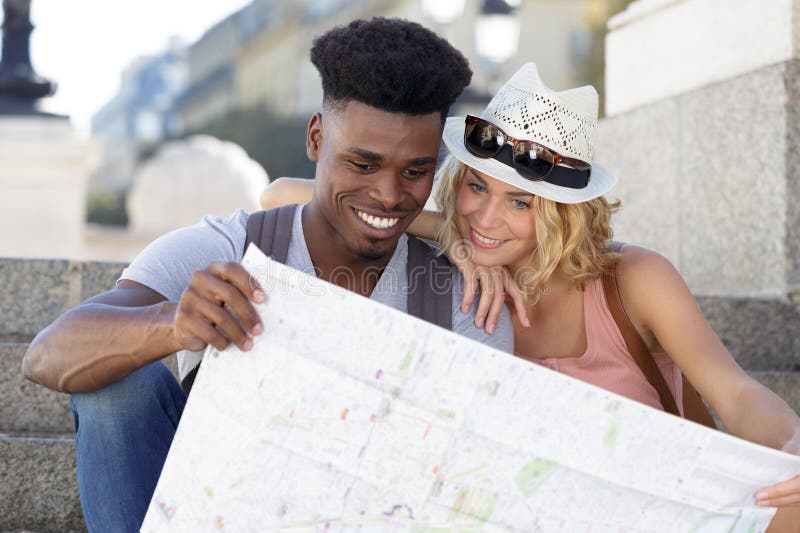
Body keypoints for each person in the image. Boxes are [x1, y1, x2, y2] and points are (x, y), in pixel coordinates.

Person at [21, 18, 513, 532]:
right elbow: (45, 356)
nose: (389, 196)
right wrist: (172, 324)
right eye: (363, 165)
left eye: (414, 172)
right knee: (117, 386)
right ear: (317, 138)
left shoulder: (463, 299)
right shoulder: (230, 247)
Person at [260, 63, 800, 529]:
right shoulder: (447, 274)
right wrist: (442, 230)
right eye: (476, 187)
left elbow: (735, 395)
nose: (485, 219)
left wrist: (793, 440)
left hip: (661, 508)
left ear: (565, 213)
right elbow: (277, 196)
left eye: (520, 203)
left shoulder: (633, 279)